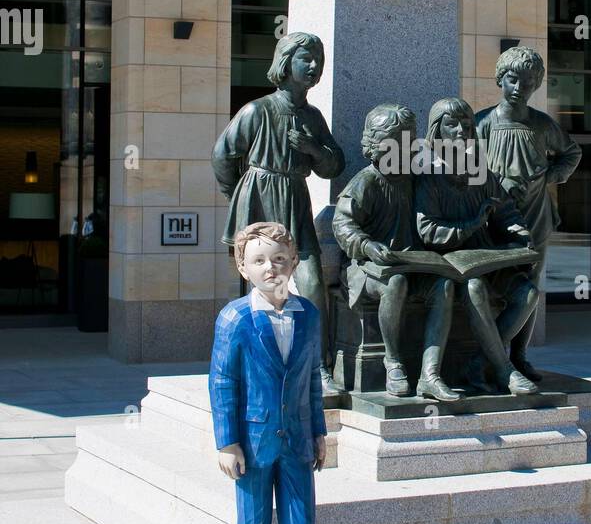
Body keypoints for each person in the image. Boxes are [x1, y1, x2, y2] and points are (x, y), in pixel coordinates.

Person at [208, 221, 343, 524]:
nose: (271, 268)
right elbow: (223, 382)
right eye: (260, 260)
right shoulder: (235, 319)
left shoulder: (308, 315)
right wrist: (226, 441)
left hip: (298, 441)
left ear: (294, 264)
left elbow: (311, 382)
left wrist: (320, 431)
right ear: (243, 267)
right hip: (253, 440)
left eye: (280, 260)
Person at [212, 32, 345, 396]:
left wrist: (313, 149)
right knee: (261, 287)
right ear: (286, 63)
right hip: (259, 196)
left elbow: (335, 165)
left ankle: (319, 366)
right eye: (306, 58)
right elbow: (223, 155)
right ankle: (253, 366)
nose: (314, 66)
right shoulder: (258, 110)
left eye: (319, 59)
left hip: (295, 198)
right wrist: (239, 197)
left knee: (313, 284)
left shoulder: (313, 117)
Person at [332, 103, 459, 401]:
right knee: (396, 283)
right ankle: (393, 362)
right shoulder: (366, 181)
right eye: (396, 142)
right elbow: (343, 223)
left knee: (445, 286)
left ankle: (430, 373)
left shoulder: (417, 178)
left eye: (408, 140)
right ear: (377, 145)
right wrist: (366, 245)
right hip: (369, 269)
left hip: (411, 263)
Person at [415, 98, 540, 397]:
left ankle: (480, 362)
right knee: (473, 288)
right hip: (446, 264)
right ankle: (503, 369)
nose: (461, 130)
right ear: (437, 131)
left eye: (467, 125)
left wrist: (522, 235)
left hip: (485, 258)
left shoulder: (480, 171)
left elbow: (506, 213)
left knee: (528, 293)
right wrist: (471, 224)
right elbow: (428, 230)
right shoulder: (427, 175)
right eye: (452, 125)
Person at [476, 46, 582, 382]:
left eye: (528, 82)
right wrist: (497, 181)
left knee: (531, 287)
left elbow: (571, 153)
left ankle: (518, 356)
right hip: (494, 217)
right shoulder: (483, 123)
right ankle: (485, 355)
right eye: (512, 80)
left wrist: (550, 176)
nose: (519, 88)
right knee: (492, 282)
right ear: (500, 80)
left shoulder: (542, 124)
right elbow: (467, 167)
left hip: (535, 214)